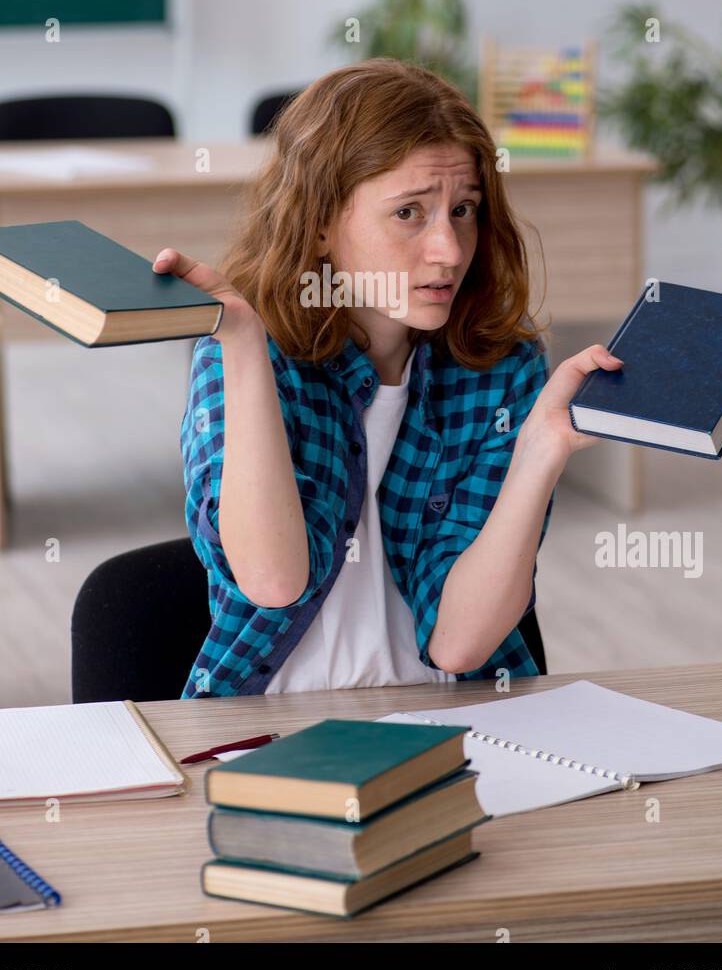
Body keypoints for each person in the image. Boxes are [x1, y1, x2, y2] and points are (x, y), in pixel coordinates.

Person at [153, 58, 622, 698]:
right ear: (319, 225)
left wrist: (541, 452)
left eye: (463, 210)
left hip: (463, 718)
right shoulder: (244, 358)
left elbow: (460, 642)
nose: (450, 250)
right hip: (271, 724)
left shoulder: (503, 369)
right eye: (409, 214)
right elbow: (272, 580)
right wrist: (241, 346)